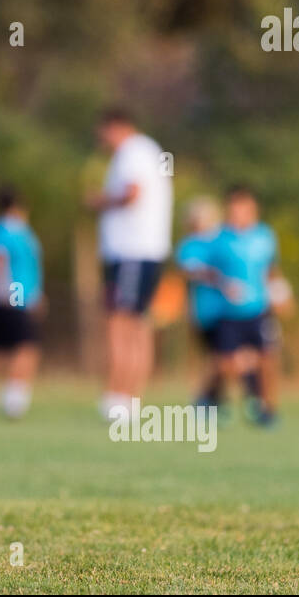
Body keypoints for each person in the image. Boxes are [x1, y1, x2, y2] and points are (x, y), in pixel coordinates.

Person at [86, 108, 172, 421]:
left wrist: (100, 201)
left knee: (121, 323)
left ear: (115, 127)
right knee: (136, 323)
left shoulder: (133, 152)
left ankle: (120, 396)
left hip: (132, 251)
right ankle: (129, 399)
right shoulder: (146, 150)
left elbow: (133, 194)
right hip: (142, 251)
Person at [208, 185, 286, 426]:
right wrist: (223, 283)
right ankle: (212, 400)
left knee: (268, 357)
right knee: (226, 363)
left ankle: (267, 410)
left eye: (242, 208)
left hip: (259, 309)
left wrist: (281, 293)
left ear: (252, 209)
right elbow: (204, 270)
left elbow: (271, 270)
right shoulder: (219, 238)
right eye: (233, 208)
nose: (236, 213)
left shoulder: (265, 236)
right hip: (228, 312)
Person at [0, 185, 45, 420]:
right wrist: (5, 293)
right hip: (11, 299)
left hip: (23, 299)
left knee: (6, 353)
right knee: (25, 349)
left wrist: (36, 295)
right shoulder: (3, 230)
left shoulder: (20, 231)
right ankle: (13, 403)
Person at [173, 196, 228, 410]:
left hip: (228, 309)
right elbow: (189, 272)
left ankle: (212, 400)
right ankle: (205, 398)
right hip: (204, 311)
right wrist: (213, 275)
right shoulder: (189, 246)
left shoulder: (221, 241)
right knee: (216, 356)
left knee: (223, 357)